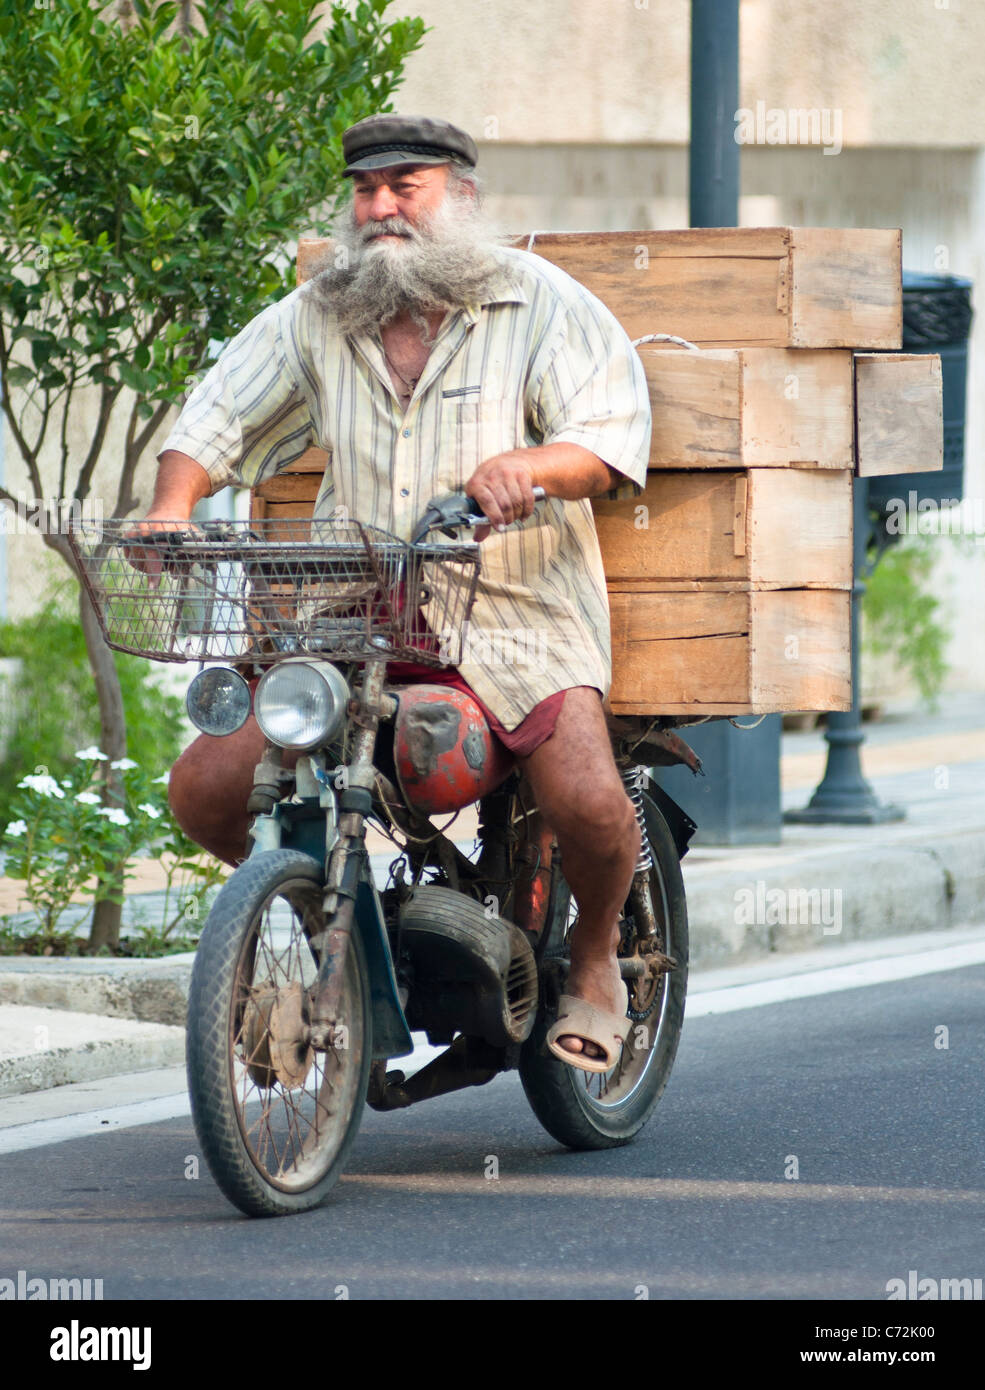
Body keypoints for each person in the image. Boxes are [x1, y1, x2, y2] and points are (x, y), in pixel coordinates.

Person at [144, 114, 652, 1071]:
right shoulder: (319, 310)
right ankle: (350, 926)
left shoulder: (536, 302)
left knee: (584, 798)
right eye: (366, 192)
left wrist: (528, 466)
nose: (381, 209)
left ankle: (592, 961)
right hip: (353, 613)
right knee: (205, 791)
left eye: (403, 187)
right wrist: (172, 507)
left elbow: (607, 438)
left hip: (515, 611)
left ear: (457, 196)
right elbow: (218, 410)